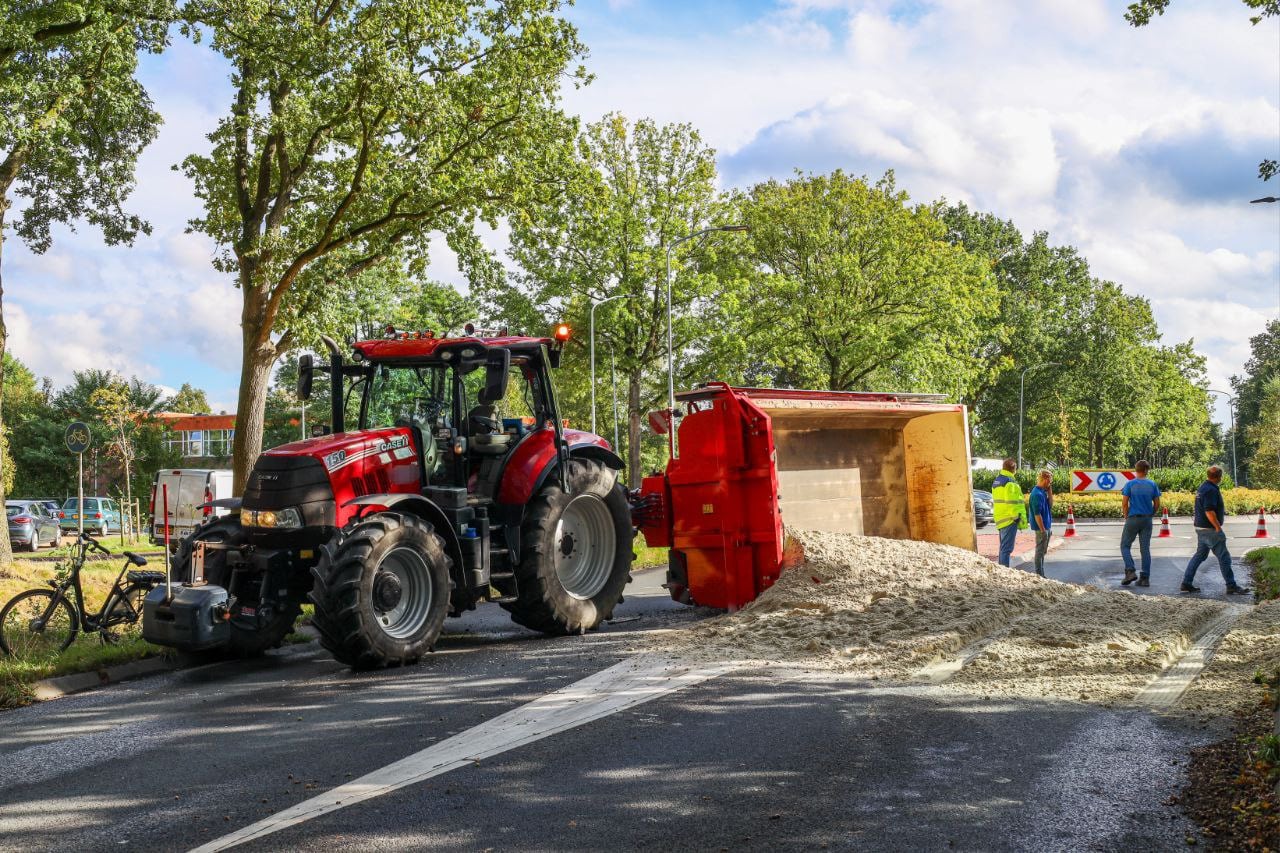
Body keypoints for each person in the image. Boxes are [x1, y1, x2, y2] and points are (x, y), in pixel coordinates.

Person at [1182, 465, 1251, 595]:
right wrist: (1218, 528)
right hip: (1210, 529)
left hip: (1201, 527)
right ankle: (1231, 585)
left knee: (1199, 556)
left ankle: (1186, 583)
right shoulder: (1210, 490)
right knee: (1224, 557)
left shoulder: (1203, 487)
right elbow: (1209, 511)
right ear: (1219, 477)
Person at [1119, 460, 1161, 587]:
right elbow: (1157, 503)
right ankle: (1145, 578)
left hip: (1133, 518)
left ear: (1136, 469)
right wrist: (1150, 514)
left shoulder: (1130, 484)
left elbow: (1125, 503)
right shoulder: (1152, 484)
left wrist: (1127, 516)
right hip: (1147, 520)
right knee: (1145, 549)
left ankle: (1130, 570)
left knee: (1125, 545)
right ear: (1146, 470)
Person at [991, 458, 1028, 567]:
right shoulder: (1010, 482)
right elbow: (1011, 503)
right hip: (1009, 519)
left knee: (1003, 547)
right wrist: (1016, 517)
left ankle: (1001, 569)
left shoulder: (997, 480)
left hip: (1000, 517)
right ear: (1014, 469)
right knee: (1006, 549)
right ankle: (1004, 570)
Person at [1027, 470, 1052, 576]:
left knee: (1042, 552)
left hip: (1046, 526)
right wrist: (1042, 530)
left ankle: (1041, 574)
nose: (1050, 483)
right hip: (1041, 528)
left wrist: (1050, 492)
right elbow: (1037, 515)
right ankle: (1039, 575)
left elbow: (1050, 505)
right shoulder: (1037, 494)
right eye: (1050, 481)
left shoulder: (1042, 491)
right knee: (1039, 552)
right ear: (1045, 479)